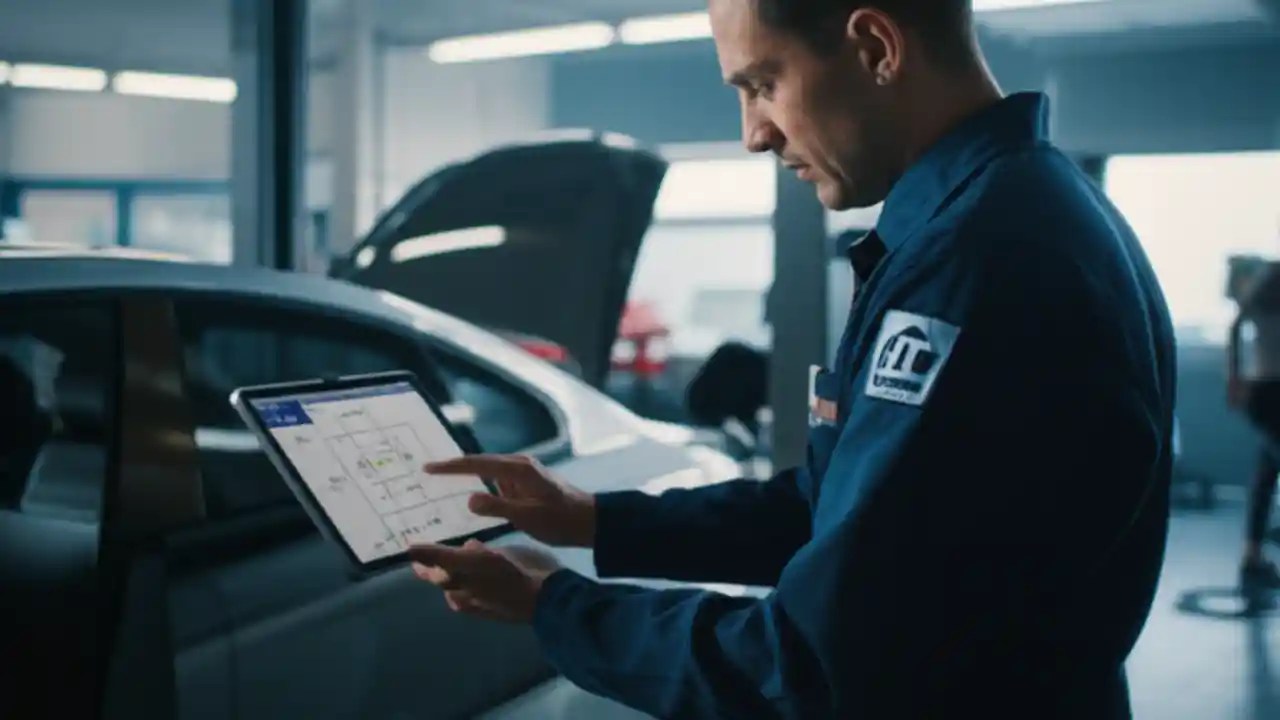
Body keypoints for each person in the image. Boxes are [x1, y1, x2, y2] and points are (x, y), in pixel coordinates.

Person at [408, 1, 1176, 717]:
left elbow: (815, 664)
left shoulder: (976, 262)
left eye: (763, 84)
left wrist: (555, 606)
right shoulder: (1026, 207)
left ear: (876, 48)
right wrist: (594, 519)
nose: (754, 133)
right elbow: (839, 506)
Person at [1227, 259, 1280, 593]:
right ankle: (1251, 556)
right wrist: (1234, 375)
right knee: (1269, 463)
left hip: (1266, 388)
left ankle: (1252, 556)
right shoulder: (1271, 278)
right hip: (1270, 388)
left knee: (1268, 465)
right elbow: (1237, 325)